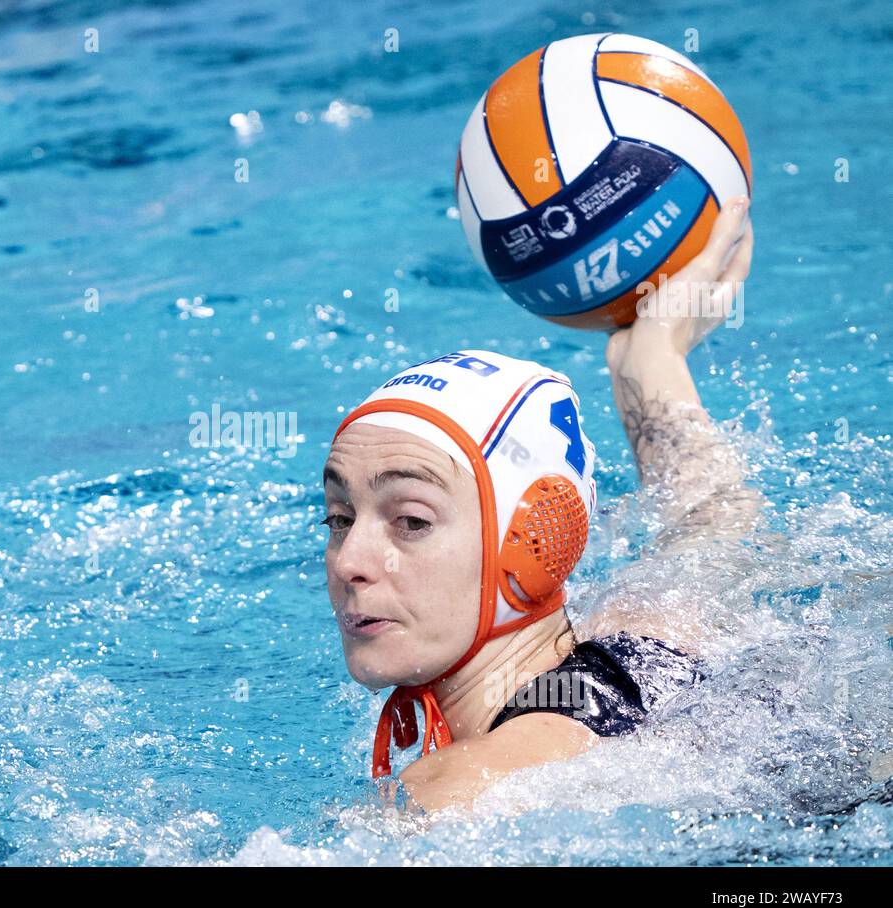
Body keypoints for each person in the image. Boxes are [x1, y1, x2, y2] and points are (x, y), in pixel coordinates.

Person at [322, 197, 759, 813]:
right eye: (339, 518)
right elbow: (713, 522)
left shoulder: (452, 796)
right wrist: (650, 358)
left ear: (534, 541)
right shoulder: (641, 642)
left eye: (411, 520)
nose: (350, 562)